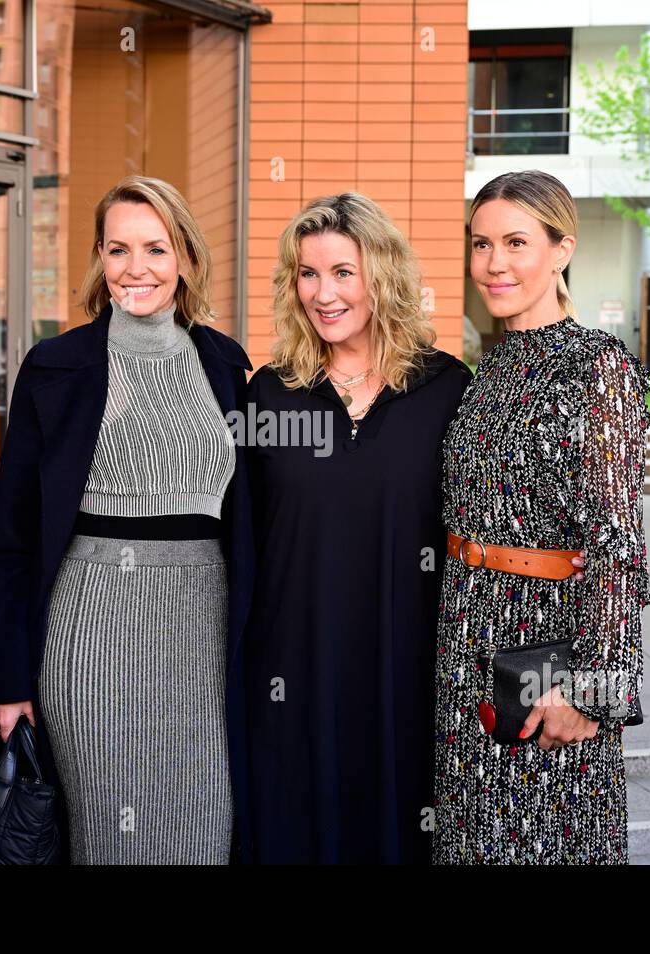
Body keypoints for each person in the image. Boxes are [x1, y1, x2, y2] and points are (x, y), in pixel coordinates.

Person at [0, 175, 255, 864]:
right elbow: (12, 539)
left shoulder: (226, 363)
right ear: (100, 259)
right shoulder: (56, 366)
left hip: (204, 635)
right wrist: (8, 682)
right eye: (118, 249)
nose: (137, 268)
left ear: (185, 258)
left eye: (156, 249)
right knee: (108, 839)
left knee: (207, 828)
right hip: (93, 628)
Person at [243, 192, 478, 863]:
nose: (324, 293)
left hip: (405, 667)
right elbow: (245, 536)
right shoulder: (269, 392)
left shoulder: (446, 390)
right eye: (308, 274)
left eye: (343, 272)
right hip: (291, 669)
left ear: (381, 276)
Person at [432, 169, 650, 864]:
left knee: (544, 842)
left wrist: (593, 689)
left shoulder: (597, 367)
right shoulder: (488, 369)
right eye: (481, 244)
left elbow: (616, 541)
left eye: (516, 242)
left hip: (546, 658)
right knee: (474, 841)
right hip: (466, 641)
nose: (494, 263)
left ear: (561, 250)